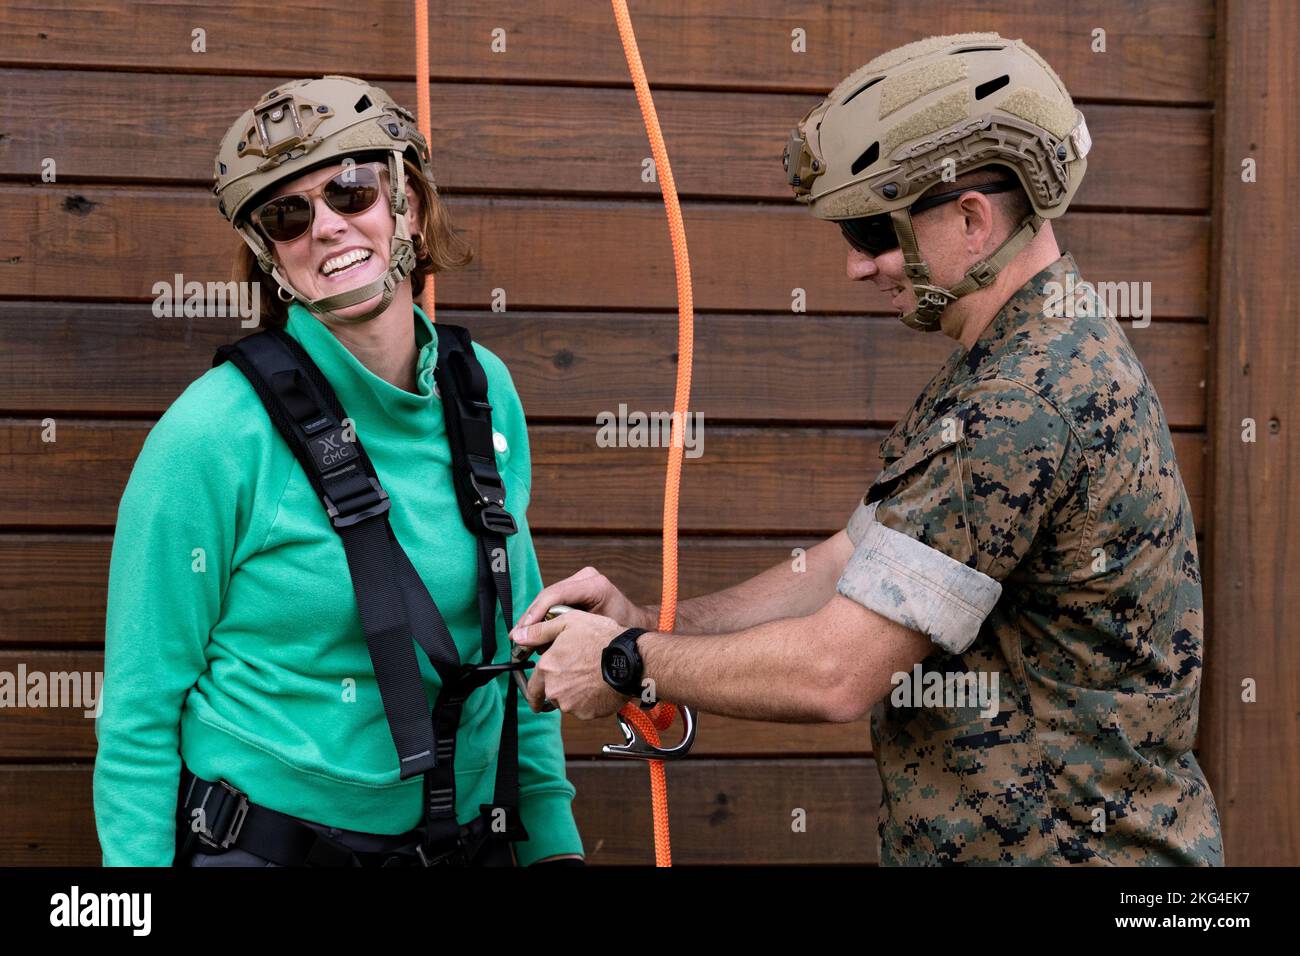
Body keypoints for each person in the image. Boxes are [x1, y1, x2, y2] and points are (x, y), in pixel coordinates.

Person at [513, 33, 1223, 865]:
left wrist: (629, 664)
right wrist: (656, 627)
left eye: (871, 230)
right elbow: (849, 562)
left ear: (971, 218)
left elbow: (837, 673)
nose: (857, 267)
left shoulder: (1024, 399)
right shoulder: (1015, 354)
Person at [93, 75, 582, 866]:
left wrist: (553, 845)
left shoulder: (479, 388)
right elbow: (140, 711)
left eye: (351, 192)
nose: (325, 226)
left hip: (463, 839)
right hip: (268, 845)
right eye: (288, 214)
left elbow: (519, 635)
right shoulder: (212, 434)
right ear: (268, 254)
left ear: (408, 208)